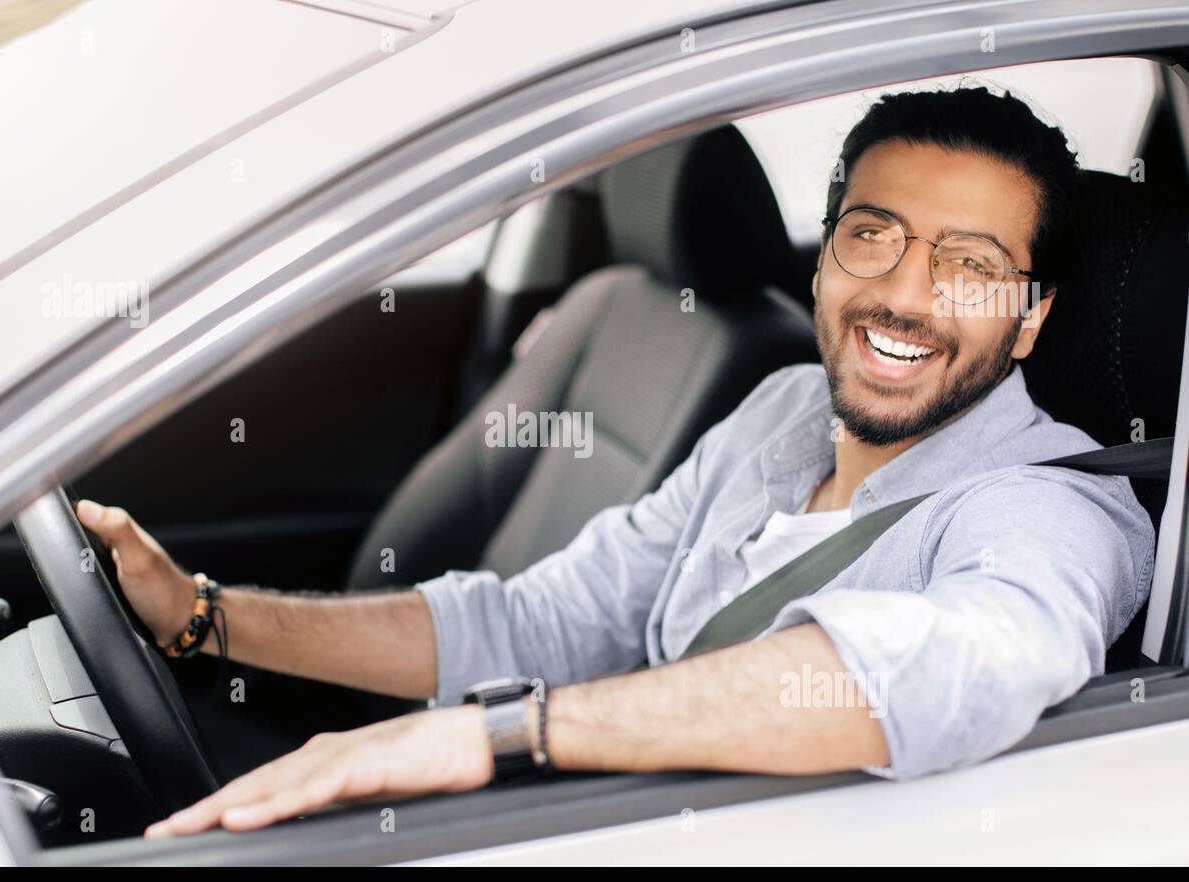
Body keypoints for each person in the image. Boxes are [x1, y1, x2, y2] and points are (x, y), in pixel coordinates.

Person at [77, 86, 1155, 838]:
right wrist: (205, 617)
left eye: (969, 265)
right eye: (873, 235)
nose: (907, 296)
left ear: (1028, 319)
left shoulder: (1053, 505)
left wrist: (495, 735)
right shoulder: (781, 409)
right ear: (824, 258)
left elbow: (969, 660)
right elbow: (537, 621)